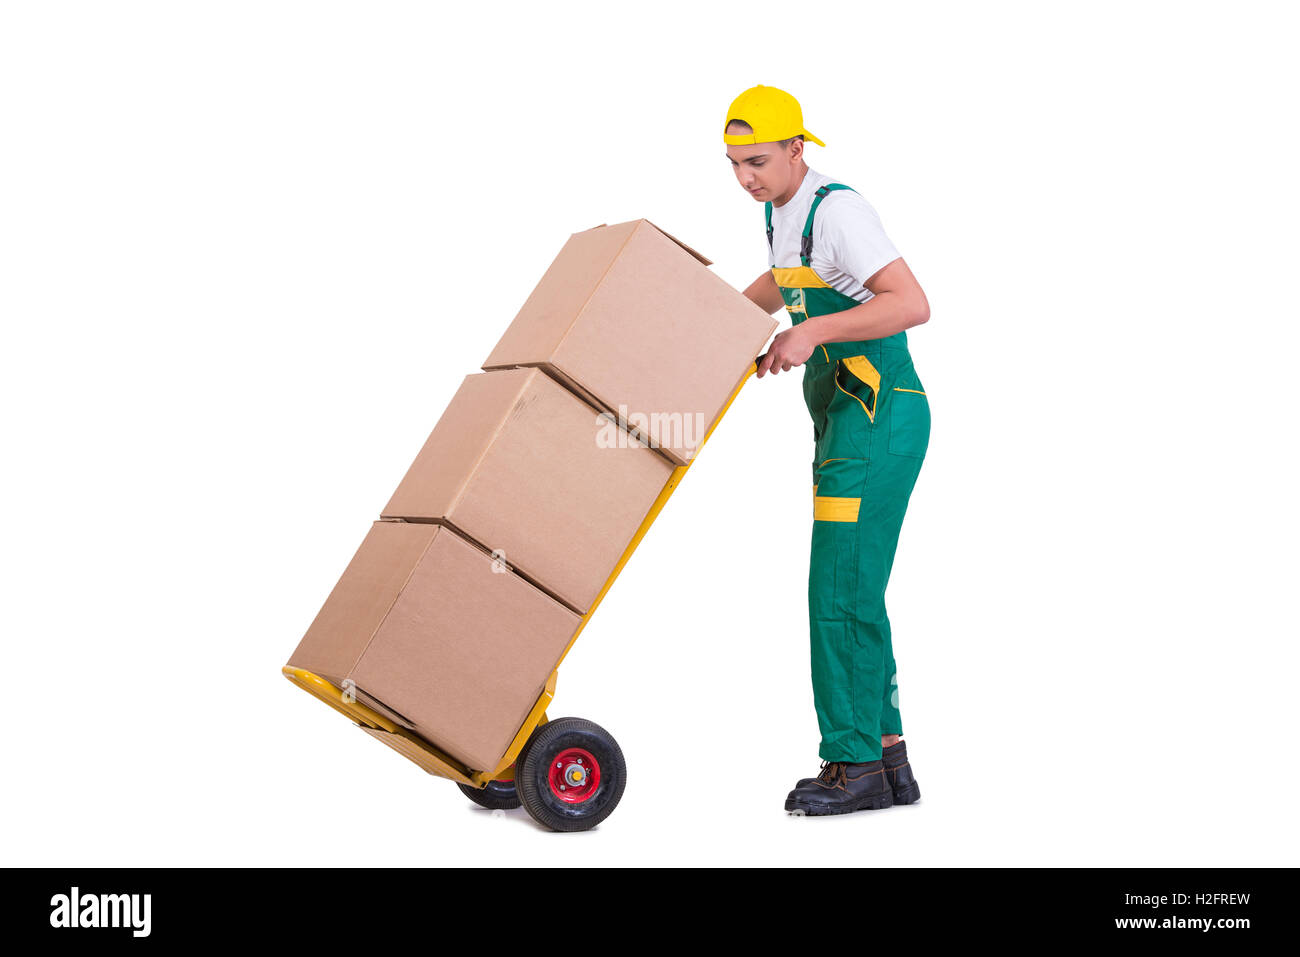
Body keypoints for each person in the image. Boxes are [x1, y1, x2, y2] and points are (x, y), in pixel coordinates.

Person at [725, 84, 932, 816]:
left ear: (795, 148)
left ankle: (853, 766)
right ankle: (886, 754)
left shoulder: (838, 210)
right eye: (733, 163)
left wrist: (808, 333)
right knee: (854, 587)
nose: (745, 176)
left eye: (756, 160)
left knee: (837, 589)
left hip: (878, 418)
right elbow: (779, 286)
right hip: (845, 421)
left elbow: (911, 302)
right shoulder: (780, 213)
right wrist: (702, 319)